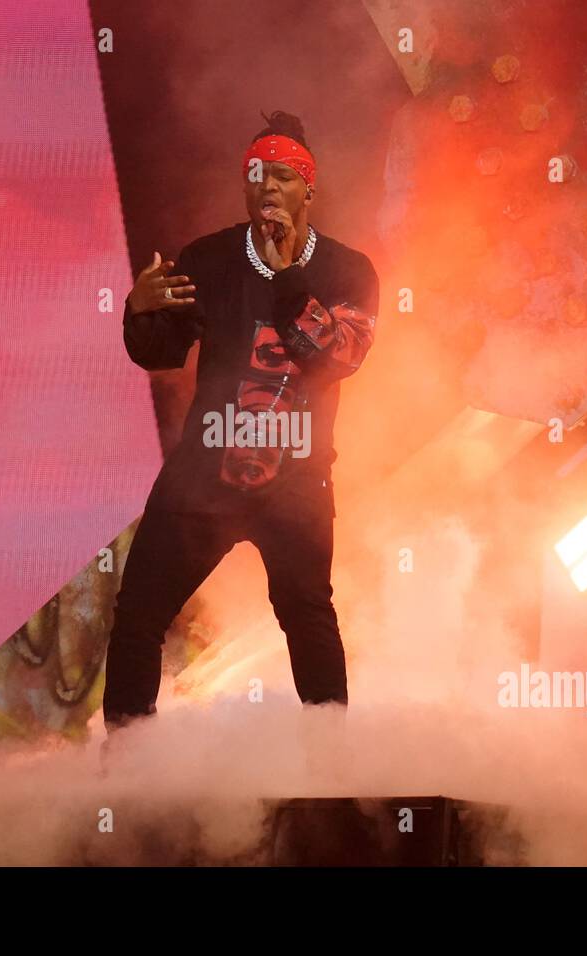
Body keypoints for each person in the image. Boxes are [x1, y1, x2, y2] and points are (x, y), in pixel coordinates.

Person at [103, 110, 379, 735]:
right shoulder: (207, 258)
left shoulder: (347, 270)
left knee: (308, 614)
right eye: (255, 174)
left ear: (309, 189)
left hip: (297, 480)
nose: (266, 187)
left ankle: (331, 775)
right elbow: (161, 354)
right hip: (205, 478)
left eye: (282, 176)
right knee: (139, 617)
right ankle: (125, 775)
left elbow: (333, 356)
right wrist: (137, 312)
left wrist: (287, 278)